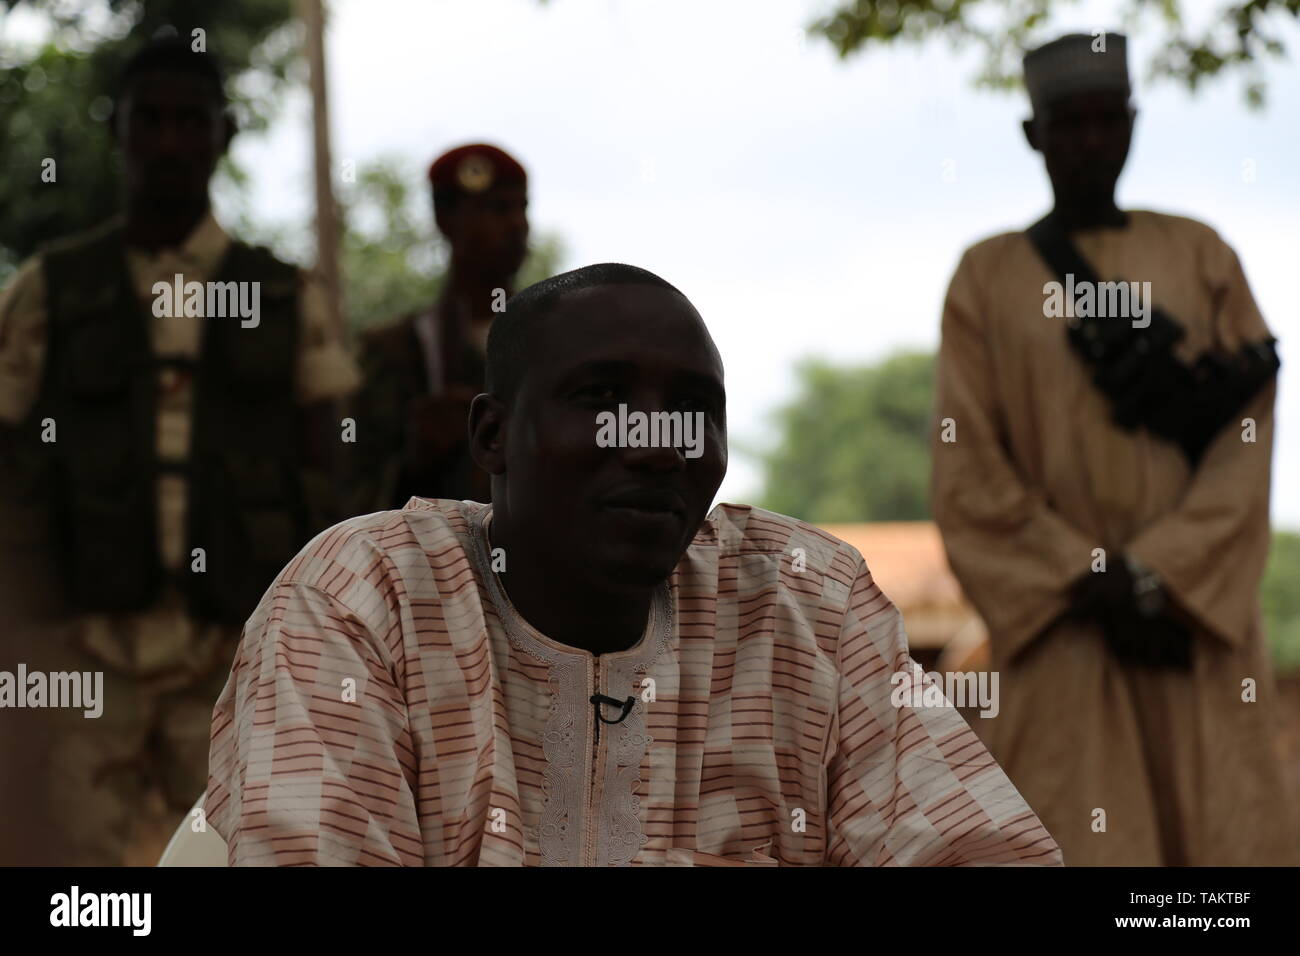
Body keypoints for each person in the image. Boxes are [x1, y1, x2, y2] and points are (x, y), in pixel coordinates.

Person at [207, 263, 1061, 866]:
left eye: (694, 409)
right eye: (601, 400)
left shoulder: (811, 604)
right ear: (491, 437)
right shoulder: (364, 598)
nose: (657, 444)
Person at [931, 32, 1294, 865]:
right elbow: (967, 463)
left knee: (1220, 847)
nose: (1091, 141)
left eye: (1107, 120)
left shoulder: (1202, 254)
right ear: (1035, 135)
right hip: (1063, 626)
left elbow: (1247, 437)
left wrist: (1159, 574)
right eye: (1071, 123)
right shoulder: (985, 277)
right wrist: (1091, 579)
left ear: (1133, 125)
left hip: (1190, 626)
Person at [0, 37, 359, 864]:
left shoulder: (278, 293)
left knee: (223, 850)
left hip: (229, 643)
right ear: (118, 133)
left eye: (188, 121)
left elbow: (333, 468)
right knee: (73, 870)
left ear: (222, 136)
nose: (167, 141)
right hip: (82, 646)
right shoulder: (54, 287)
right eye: (148, 120)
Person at [349, 143, 529, 512]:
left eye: (521, 207)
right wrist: (415, 461)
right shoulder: (397, 349)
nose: (517, 224)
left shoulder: (552, 337)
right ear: (445, 220)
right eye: (496, 208)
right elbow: (350, 491)